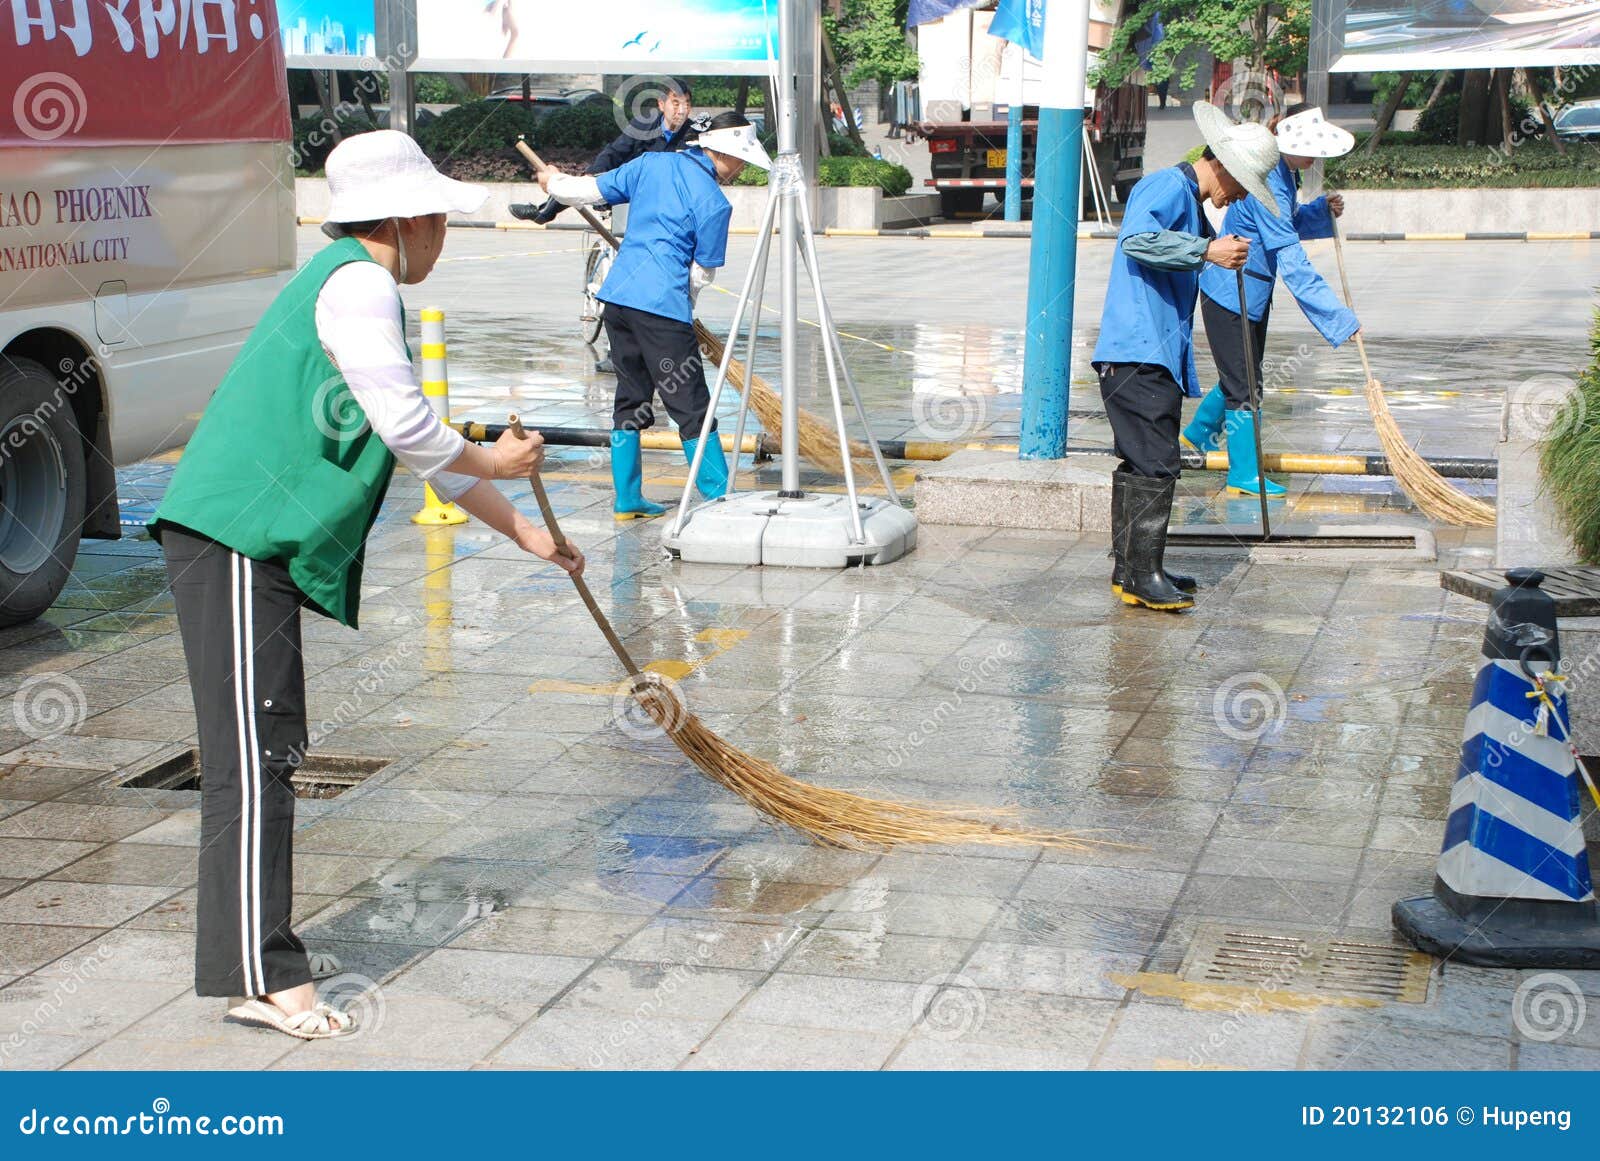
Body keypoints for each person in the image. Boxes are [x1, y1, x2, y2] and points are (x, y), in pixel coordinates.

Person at [149, 131, 584, 1040]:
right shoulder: (357, 283)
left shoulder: (351, 279)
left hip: (248, 541)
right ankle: (263, 976)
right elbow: (412, 426)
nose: (443, 236)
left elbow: (415, 446)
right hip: (231, 534)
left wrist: (527, 532)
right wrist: (499, 462)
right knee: (252, 758)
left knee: (270, 745)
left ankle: (263, 957)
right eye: (438, 219)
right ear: (406, 218)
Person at [1091, 101, 1280, 613]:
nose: (1239, 194)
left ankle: (1132, 569)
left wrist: (1215, 248)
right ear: (1219, 164)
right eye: (1240, 182)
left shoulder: (1191, 203)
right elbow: (1136, 241)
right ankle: (1142, 573)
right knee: (1157, 464)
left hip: (1149, 353)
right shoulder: (1165, 186)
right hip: (1136, 353)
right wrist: (1207, 252)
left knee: (1139, 463)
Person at [535, 112, 771, 520]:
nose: (743, 168)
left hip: (618, 303)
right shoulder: (714, 203)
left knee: (631, 399)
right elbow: (700, 273)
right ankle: (718, 499)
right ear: (725, 153)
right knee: (692, 405)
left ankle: (628, 499)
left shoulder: (650, 163)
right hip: (661, 309)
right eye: (742, 159)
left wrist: (552, 181)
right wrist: (683, 312)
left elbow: (586, 189)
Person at [1185, 105, 1360, 497]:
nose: (1315, 158)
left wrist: (1317, 212)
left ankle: (1196, 436)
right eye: (1310, 149)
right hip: (1232, 291)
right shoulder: (1269, 176)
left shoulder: (1286, 173)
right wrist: (1338, 318)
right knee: (1245, 383)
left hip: (1251, 290)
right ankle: (1243, 473)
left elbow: (1285, 225)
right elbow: (1291, 256)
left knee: (1244, 371)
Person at [508, 78, 702, 224]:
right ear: (661, 104)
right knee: (590, 180)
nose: (682, 110)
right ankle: (544, 212)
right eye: (676, 103)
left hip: (667, 197)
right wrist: (592, 173)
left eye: (687, 104)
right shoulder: (643, 126)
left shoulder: (693, 134)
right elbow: (615, 151)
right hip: (630, 186)